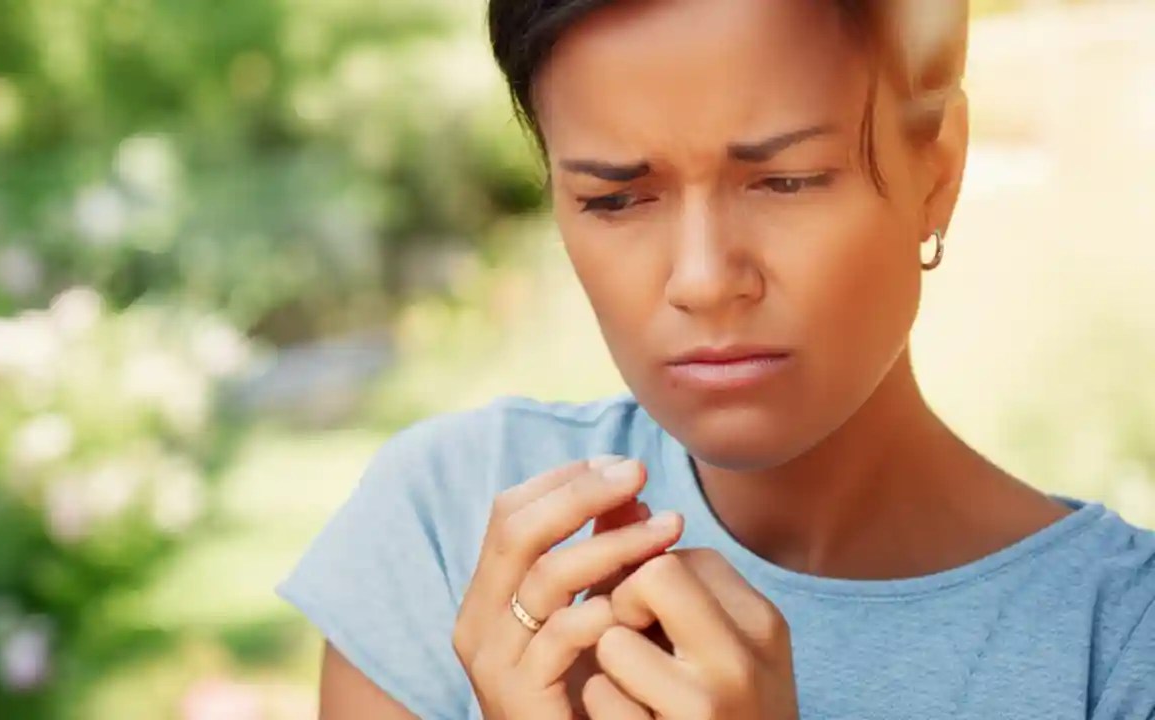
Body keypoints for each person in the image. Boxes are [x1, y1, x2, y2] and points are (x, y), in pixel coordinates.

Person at [277, 1, 1155, 717]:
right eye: (616, 197)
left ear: (939, 168)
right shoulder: (451, 528)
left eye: (788, 180)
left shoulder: (1117, 648)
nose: (702, 280)